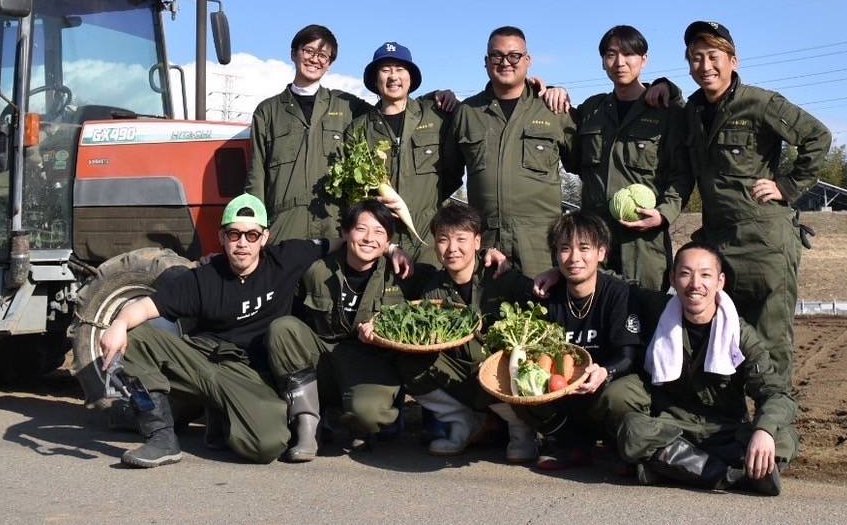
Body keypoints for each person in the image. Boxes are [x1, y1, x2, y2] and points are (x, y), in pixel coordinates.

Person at [95, 194, 326, 468]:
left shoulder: (286, 259)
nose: (242, 243)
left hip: (248, 374)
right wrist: (118, 324)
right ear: (222, 237)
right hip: (202, 360)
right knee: (134, 340)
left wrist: (389, 250)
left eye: (252, 235)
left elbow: (347, 245)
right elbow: (147, 306)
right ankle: (160, 435)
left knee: (267, 444)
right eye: (234, 234)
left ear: (264, 238)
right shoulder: (203, 277)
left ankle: (218, 413)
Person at [680, 20, 830, 384]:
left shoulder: (760, 103)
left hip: (764, 242)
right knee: (723, 337)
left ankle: (773, 430)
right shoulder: (690, 111)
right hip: (717, 241)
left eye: (713, 56)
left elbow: (817, 136)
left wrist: (788, 186)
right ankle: (730, 429)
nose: (705, 66)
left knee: (771, 340)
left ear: (733, 60)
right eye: (696, 58)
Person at [616, 241, 797, 495]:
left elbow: (777, 394)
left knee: (784, 438)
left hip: (726, 432)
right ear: (673, 279)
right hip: (674, 429)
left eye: (705, 275)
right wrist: (560, 272)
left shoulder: (740, 334)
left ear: (720, 281)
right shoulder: (658, 313)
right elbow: (612, 284)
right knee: (633, 429)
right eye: (685, 273)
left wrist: (764, 430)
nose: (695, 284)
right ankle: (728, 477)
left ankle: (672, 468)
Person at [265, 199, 413, 453]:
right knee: (282, 328)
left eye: (379, 232)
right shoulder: (315, 270)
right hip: (322, 356)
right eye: (361, 229)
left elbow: (451, 273)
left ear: (388, 241)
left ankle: (353, 420)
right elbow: (272, 265)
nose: (369, 238)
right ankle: (307, 424)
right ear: (345, 232)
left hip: (369, 362)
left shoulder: (401, 274)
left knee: (369, 414)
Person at [391, 201, 536, 457]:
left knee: (495, 364)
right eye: (443, 240)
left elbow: (541, 305)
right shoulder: (432, 288)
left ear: (478, 241)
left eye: (461, 239)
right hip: (462, 374)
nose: (452, 248)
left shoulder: (502, 276)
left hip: (503, 374)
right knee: (407, 361)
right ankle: (464, 422)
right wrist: (392, 249)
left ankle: (521, 429)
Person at [520, 210, 649, 471]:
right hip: (565, 390)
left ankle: (617, 446)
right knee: (520, 389)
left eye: (584, 248)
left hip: (606, 384)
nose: (574, 258)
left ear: (601, 253)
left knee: (618, 395)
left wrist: (606, 372)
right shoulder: (546, 296)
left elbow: (628, 356)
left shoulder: (617, 293)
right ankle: (574, 447)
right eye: (565, 249)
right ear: (556, 256)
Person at [446, 26, 577, 276]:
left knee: (541, 312)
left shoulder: (553, 109)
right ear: (486, 62)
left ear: (528, 61)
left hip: (542, 244)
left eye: (514, 55)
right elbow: (446, 177)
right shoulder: (468, 113)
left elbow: (584, 165)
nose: (505, 62)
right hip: (485, 243)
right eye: (497, 56)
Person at [572, 25, 692, 291]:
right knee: (595, 319)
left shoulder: (666, 111)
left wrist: (663, 215)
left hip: (644, 242)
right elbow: (569, 151)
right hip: (595, 241)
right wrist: (552, 90)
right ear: (603, 62)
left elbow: (682, 174)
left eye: (629, 54)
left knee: (647, 318)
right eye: (611, 54)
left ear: (644, 60)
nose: (620, 62)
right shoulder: (592, 110)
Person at [247, 24, 371, 240]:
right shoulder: (268, 111)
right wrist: (253, 228)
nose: (315, 59)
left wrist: (433, 99)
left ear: (330, 64)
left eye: (323, 55)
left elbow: (390, 112)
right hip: (283, 229)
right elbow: (256, 175)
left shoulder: (347, 106)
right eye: (309, 51)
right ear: (294, 53)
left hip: (335, 227)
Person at [345, 41, 464, 266]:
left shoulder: (436, 117)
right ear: (375, 78)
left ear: (411, 77)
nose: (393, 76)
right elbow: (353, 189)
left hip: (428, 236)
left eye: (400, 69)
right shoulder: (359, 129)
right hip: (379, 242)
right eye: (385, 69)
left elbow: (454, 171)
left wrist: (426, 200)